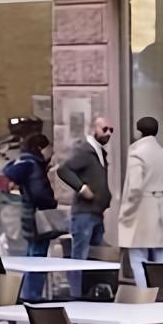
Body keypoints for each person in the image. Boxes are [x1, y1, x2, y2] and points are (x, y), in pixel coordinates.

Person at [52, 117, 113, 297]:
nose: (108, 133)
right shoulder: (85, 151)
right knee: (80, 255)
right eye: (105, 129)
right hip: (84, 213)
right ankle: (76, 294)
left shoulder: (99, 153)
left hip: (96, 212)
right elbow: (63, 170)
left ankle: (90, 292)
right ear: (94, 128)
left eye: (111, 130)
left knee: (95, 255)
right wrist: (81, 188)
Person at [3, 131, 59, 303]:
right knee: (38, 256)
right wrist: (52, 202)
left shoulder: (25, 162)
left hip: (28, 214)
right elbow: (39, 192)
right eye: (48, 147)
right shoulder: (34, 165)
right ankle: (32, 294)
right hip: (38, 216)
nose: (50, 151)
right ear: (40, 148)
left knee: (32, 254)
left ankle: (27, 292)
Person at [119, 116, 163, 285]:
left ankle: (145, 294)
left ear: (139, 132)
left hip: (142, 207)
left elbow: (134, 188)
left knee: (138, 256)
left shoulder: (136, 154)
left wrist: (125, 212)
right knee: (162, 252)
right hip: (162, 206)